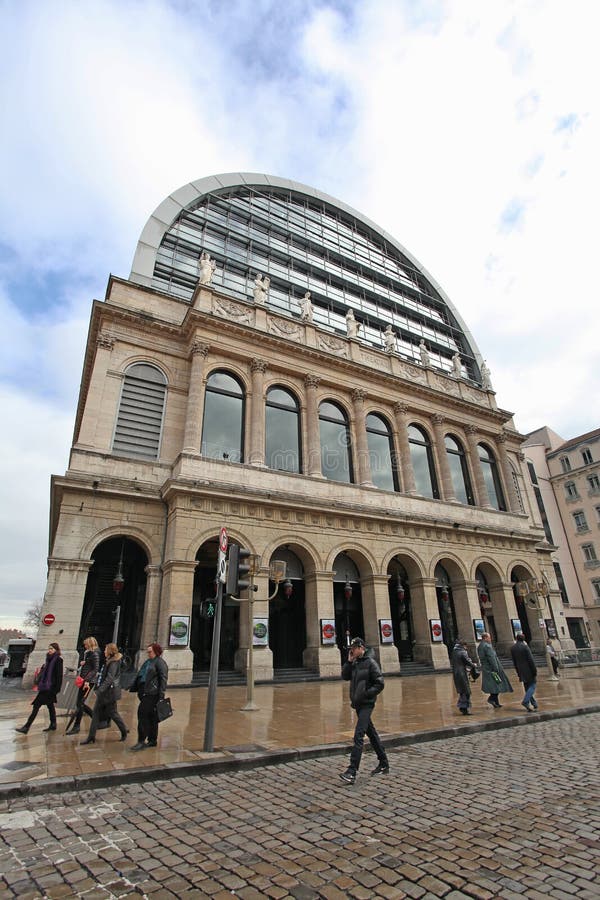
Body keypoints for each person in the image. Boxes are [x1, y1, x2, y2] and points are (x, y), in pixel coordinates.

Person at [339, 637, 388, 784]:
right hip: (358, 704)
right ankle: (384, 763)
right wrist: (348, 661)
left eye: (354, 648)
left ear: (362, 648)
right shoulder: (355, 662)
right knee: (372, 734)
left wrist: (366, 694)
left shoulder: (371, 663)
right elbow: (344, 676)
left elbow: (380, 683)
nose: (352, 651)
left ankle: (352, 770)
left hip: (366, 703)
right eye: (351, 649)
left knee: (359, 735)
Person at [80, 643, 128, 744]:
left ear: (110, 651)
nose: (104, 651)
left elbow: (110, 678)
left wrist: (99, 690)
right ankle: (91, 736)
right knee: (96, 714)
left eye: (106, 650)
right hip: (104, 693)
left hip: (109, 693)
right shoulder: (108, 661)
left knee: (113, 713)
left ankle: (124, 731)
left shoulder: (114, 663)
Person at [16, 642, 63, 734]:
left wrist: (56, 689)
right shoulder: (48, 659)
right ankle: (53, 724)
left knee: (36, 706)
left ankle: (26, 727)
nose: (50, 650)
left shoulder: (58, 660)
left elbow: (59, 676)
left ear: (56, 650)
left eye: (52, 649)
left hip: (50, 688)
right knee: (50, 706)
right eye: (49, 648)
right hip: (45, 687)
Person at [130, 643, 168, 751]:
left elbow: (163, 680)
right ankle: (152, 740)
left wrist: (161, 696)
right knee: (152, 717)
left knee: (142, 715)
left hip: (153, 694)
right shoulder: (148, 662)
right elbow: (142, 675)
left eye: (150, 651)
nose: (148, 653)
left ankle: (141, 740)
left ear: (156, 651)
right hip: (145, 692)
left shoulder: (160, 663)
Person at [66, 636, 102, 735]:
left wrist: (86, 680)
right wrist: (84, 663)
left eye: (86, 644)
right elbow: (90, 665)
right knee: (80, 703)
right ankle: (96, 720)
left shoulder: (94, 654)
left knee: (80, 704)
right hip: (84, 680)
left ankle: (77, 726)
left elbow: (95, 669)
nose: (84, 646)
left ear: (90, 644)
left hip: (88, 682)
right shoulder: (89, 653)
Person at [477, 633, 513, 708]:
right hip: (492, 668)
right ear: (485, 638)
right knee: (498, 683)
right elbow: (492, 658)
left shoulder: (480, 646)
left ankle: (496, 702)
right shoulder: (487, 646)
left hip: (486, 668)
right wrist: (496, 668)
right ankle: (491, 699)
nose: (490, 639)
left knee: (494, 686)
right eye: (489, 637)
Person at [510, 633, 538, 711]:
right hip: (528, 670)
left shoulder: (513, 648)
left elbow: (514, 661)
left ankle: (534, 703)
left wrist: (517, 671)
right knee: (532, 686)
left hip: (520, 670)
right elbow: (530, 660)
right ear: (524, 639)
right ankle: (525, 701)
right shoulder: (525, 647)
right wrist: (534, 670)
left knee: (527, 688)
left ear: (516, 638)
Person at [451, 638, 478, 715]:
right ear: (464, 645)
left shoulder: (454, 651)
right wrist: (474, 665)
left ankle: (463, 707)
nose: (466, 648)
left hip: (456, 673)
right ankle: (464, 707)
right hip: (461, 673)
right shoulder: (462, 651)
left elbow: (458, 662)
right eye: (466, 647)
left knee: (462, 690)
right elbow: (467, 661)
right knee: (466, 691)